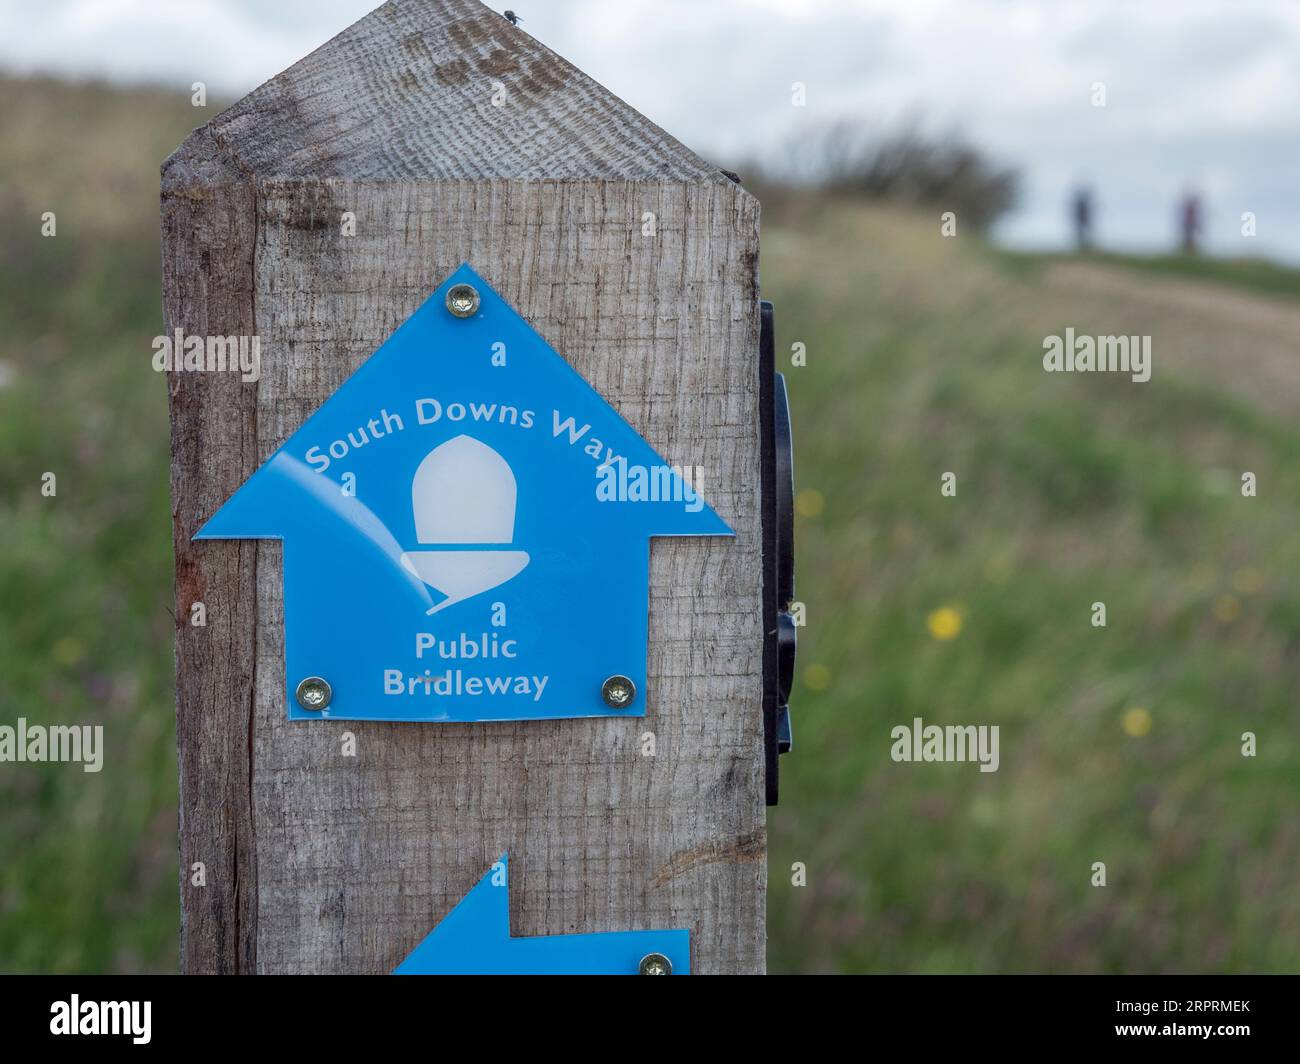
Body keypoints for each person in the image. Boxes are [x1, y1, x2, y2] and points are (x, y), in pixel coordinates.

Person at [1178, 188, 1203, 254]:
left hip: (1190, 224)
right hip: (1188, 224)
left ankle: (1190, 251)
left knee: (1190, 237)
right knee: (1188, 238)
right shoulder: (1190, 208)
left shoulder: (1191, 209)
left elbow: (1193, 218)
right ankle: (1188, 251)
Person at [1071, 185, 1094, 251]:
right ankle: (1082, 247)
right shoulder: (1082, 204)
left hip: (1083, 220)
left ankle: (1086, 246)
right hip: (1082, 220)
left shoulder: (1081, 204)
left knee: (1083, 233)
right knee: (1081, 234)